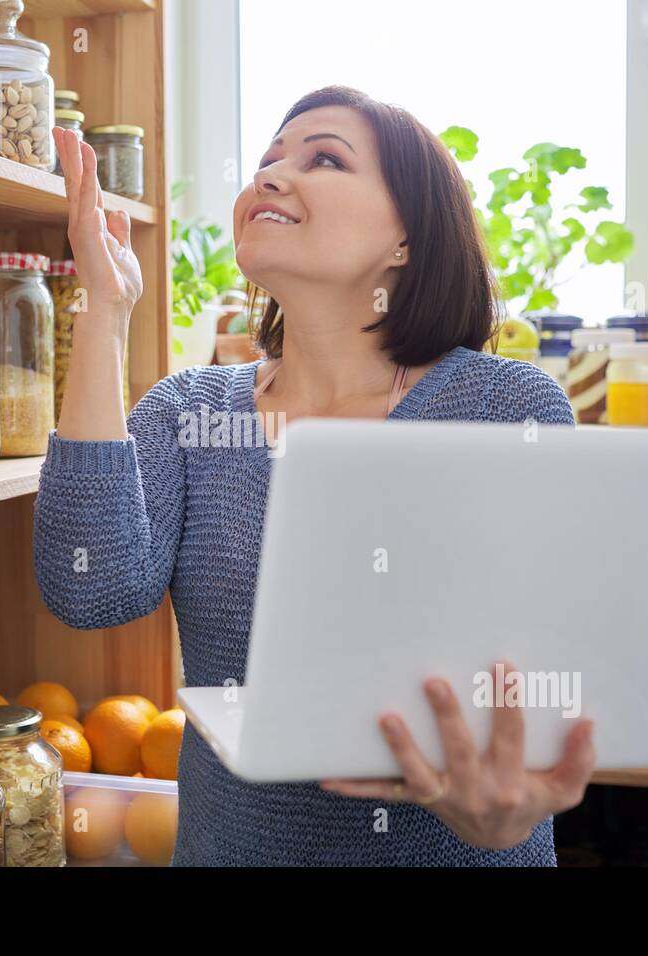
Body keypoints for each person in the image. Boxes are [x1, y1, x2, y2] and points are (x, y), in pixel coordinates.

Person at [34, 85, 596, 865]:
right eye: (266, 160)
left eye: (324, 158)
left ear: (405, 236)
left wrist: (501, 821)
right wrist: (104, 307)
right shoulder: (189, 410)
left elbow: (548, 682)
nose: (269, 176)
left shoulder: (505, 406)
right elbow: (87, 586)